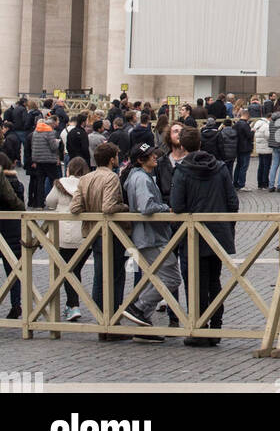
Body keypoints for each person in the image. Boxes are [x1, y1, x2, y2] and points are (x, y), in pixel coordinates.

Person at [170, 126, 239, 346]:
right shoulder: (220, 168)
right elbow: (233, 202)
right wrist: (228, 227)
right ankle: (216, 328)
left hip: (193, 235)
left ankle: (199, 329)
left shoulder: (181, 171)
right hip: (217, 233)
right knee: (213, 282)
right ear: (200, 143)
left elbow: (177, 205)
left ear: (182, 145)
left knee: (195, 283)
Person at [121, 143, 183, 340]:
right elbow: (146, 207)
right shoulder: (141, 179)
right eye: (150, 155)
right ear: (141, 160)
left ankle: (144, 324)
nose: (155, 157)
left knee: (155, 276)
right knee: (172, 276)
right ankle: (138, 307)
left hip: (149, 235)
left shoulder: (141, 176)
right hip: (150, 236)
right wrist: (167, 208)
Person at [70, 142, 129, 340]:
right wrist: (124, 208)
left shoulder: (85, 178)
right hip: (112, 233)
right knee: (116, 276)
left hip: (93, 233)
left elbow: (75, 208)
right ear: (112, 159)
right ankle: (112, 322)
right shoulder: (111, 177)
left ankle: (100, 319)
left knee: (99, 276)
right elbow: (108, 207)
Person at [44, 155, 91, 322]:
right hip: (84, 235)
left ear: (69, 169)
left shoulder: (60, 184)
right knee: (74, 269)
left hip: (62, 235)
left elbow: (49, 202)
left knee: (67, 270)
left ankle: (73, 305)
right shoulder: (87, 184)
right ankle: (73, 305)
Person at [0, 152, 24, 319]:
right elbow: (19, 204)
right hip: (13, 229)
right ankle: (16, 304)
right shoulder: (16, 182)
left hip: (3, 228)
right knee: (14, 270)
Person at [30, 113, 62, 208]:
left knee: (40, 182)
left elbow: (33, 145)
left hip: (39, 159)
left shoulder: (36, 131)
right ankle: (53, 203)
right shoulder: (50, 132)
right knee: (54, 181)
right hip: (49, 160)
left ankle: (39, 204)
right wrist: (57, 142)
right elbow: (53, 147)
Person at [233, 109, 253, 189]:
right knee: (244, 166)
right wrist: (253, 131)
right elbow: (249, 135)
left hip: (238, 147)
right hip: (245, 147)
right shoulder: (245, 125)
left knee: (238, 165)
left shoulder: (236, 124)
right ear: (247, 116)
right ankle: (241, 184)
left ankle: (235, 182)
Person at [252, 110, 272, 188]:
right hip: (266, 148)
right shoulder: (266, 125)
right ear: (269, 118)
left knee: (261, 165)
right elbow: (268, 136)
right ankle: (265, 183)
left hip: (260, 147)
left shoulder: (258, 123)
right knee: (266, 166)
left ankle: (259, 182)